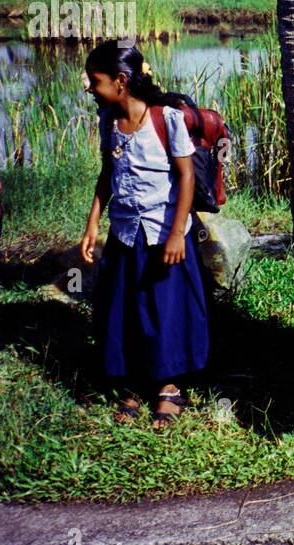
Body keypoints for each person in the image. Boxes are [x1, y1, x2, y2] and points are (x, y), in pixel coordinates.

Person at [80, 43, 209, 428]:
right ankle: (133, 382)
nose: (89, 88)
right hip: (124, 232)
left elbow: (185, 177)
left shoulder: (166, 119)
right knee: (124, 306)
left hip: (163, 232)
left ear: (121, 82)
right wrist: (92, 223)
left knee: (164, 308)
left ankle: (168, 386)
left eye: (95, 81)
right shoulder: (109, 121)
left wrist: (175, 234)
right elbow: (107, 175)